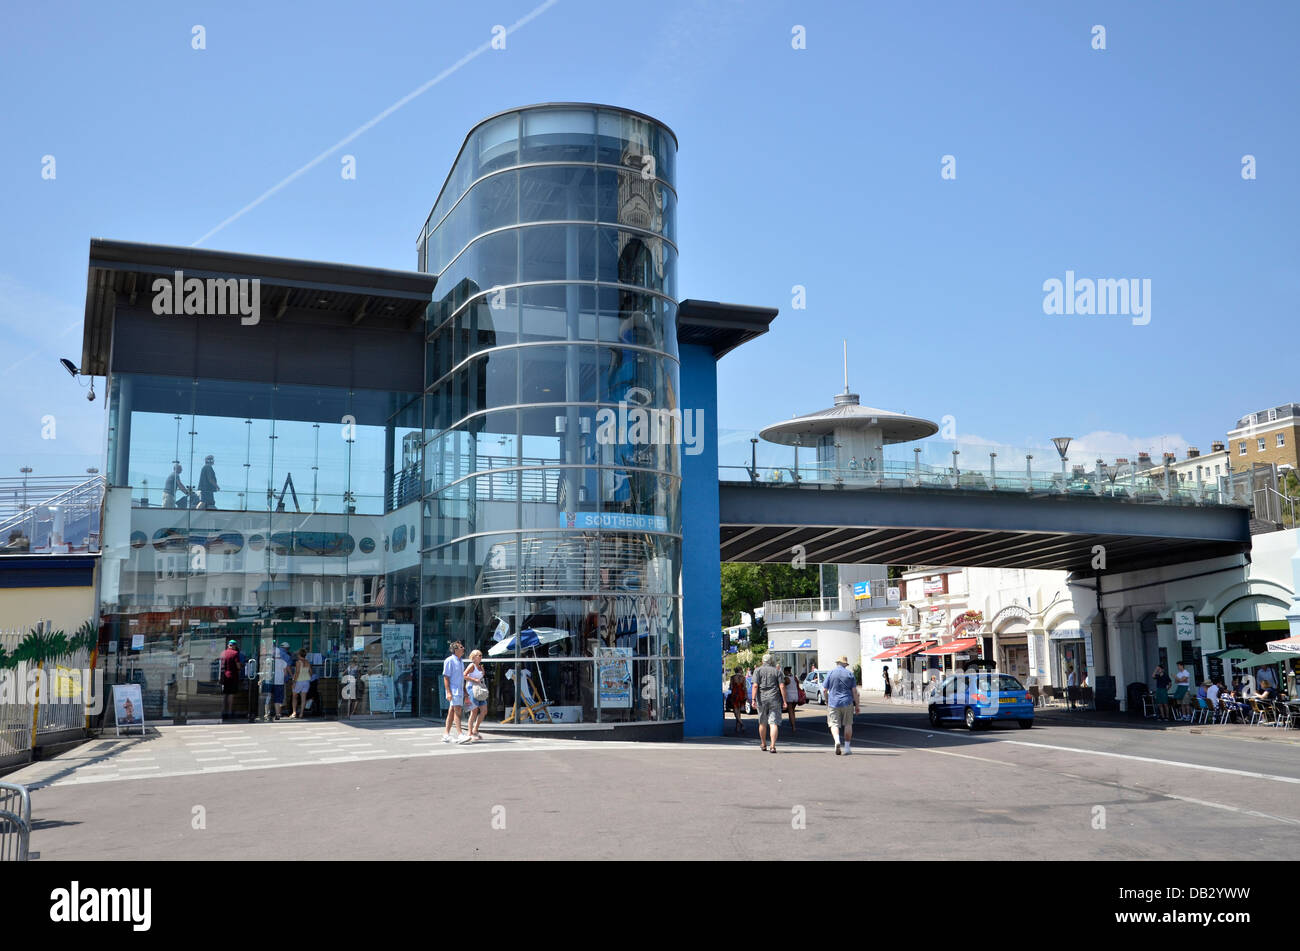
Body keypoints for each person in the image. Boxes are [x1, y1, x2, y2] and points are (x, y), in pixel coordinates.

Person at [825, 655, 860, 755]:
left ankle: (837, 741)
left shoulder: (831, 673)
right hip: (847, 702)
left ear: (837, 663)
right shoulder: (850, 674)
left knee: (834, 724)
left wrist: (827, 701)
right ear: (845, 664)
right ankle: (847, 748)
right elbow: (854, 691)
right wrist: (857, 705)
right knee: (848, 724)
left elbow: (824, 689)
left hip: (833, 702)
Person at [751, 655, 785, 753]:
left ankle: (763, 743)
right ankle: (773, 746)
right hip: (774, 698)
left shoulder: (757, 671)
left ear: (762, 661)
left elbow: (755, 686)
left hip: (761, 699)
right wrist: (785, 700)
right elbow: (782, 686)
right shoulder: (777, 671)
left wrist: (753, 699)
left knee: (762, 722)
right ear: (771, 662)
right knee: (773, 723)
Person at [441, 640, 466, 743]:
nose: (463, 648)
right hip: (454, 691)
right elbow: (446, 677)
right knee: (457, 711)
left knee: (451, 712)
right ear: (455, 650)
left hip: (459, 690)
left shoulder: (461, 661)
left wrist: (464, 690)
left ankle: (446, 734)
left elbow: (461, 677)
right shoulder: (449, 660)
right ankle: (460, 734)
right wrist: (448, 692)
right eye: (461, 647)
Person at [462, 649, 487, 743]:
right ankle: (470, 733)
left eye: (481, 655)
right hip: (471, 688)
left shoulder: (480, 666)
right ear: (474, 657)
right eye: (478, 655)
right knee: (474, 711)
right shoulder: (471, 666)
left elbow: (481, 677)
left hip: (479, 689)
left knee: (484, 710)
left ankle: (475, 729)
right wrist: (473, 679)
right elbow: (464, 675)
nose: (480, 657)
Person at [262, 644, 287, 720]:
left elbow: (264, 671)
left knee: (268, 698)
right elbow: (285, 673)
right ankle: (278, 714)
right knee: (278, 699)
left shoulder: (268, 661)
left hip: (269, 681)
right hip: (279, 683)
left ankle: (267, 714)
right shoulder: (283, 662)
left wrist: (261, 679)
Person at [219, 638, 241, 720]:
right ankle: (229, 712)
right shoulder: (235, 653)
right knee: (231, 695)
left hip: (224, 676)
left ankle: (223, 712)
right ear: (234, 646)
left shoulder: (223, 653)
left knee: (225, 694)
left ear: (228, 645)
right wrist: (240, 668)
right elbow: (238, 665)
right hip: (232, 676)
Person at [287, 649, 311, 718]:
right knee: (303, 698)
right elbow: (311, 672)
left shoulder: (298, 662)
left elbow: (297, 672)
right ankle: (301, 713)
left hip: (299, 681)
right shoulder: (307, 662)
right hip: (306, 681)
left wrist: (294, 681)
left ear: (299, 655)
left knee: (294, 697)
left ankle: (294, 712)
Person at [728, 668, 747, 735]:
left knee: (735, 710)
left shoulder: (732, 677)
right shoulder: (743, 677)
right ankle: (737, 727)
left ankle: (741, 724)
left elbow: (731, 687)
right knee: (739, 711)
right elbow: (744, 687)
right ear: (740, 670)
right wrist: (746, 695)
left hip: (735, 694)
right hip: (741, 694)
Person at [783, 665, 799, 732]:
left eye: (784, 671)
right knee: (793, 711)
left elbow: (783, 686)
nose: (783, 672)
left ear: (786, 671)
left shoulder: (786, 678)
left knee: (790, 711)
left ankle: (793, 726)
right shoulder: (794, 677)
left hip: (789, 695)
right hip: (795, 695)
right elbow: (797, 685)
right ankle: (793, 724)